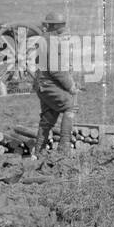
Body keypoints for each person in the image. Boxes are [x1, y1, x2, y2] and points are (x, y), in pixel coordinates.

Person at [32, 12, 79, 156]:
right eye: (62, 25)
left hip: (43, 85)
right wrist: (70, 86)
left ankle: (39, 151)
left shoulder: (45, 39)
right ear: (56, 25)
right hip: (49, 84)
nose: (65, 28)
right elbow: (57, 70)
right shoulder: (52, 42)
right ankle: (64, 147)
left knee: (49, 115)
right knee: (70, 106)